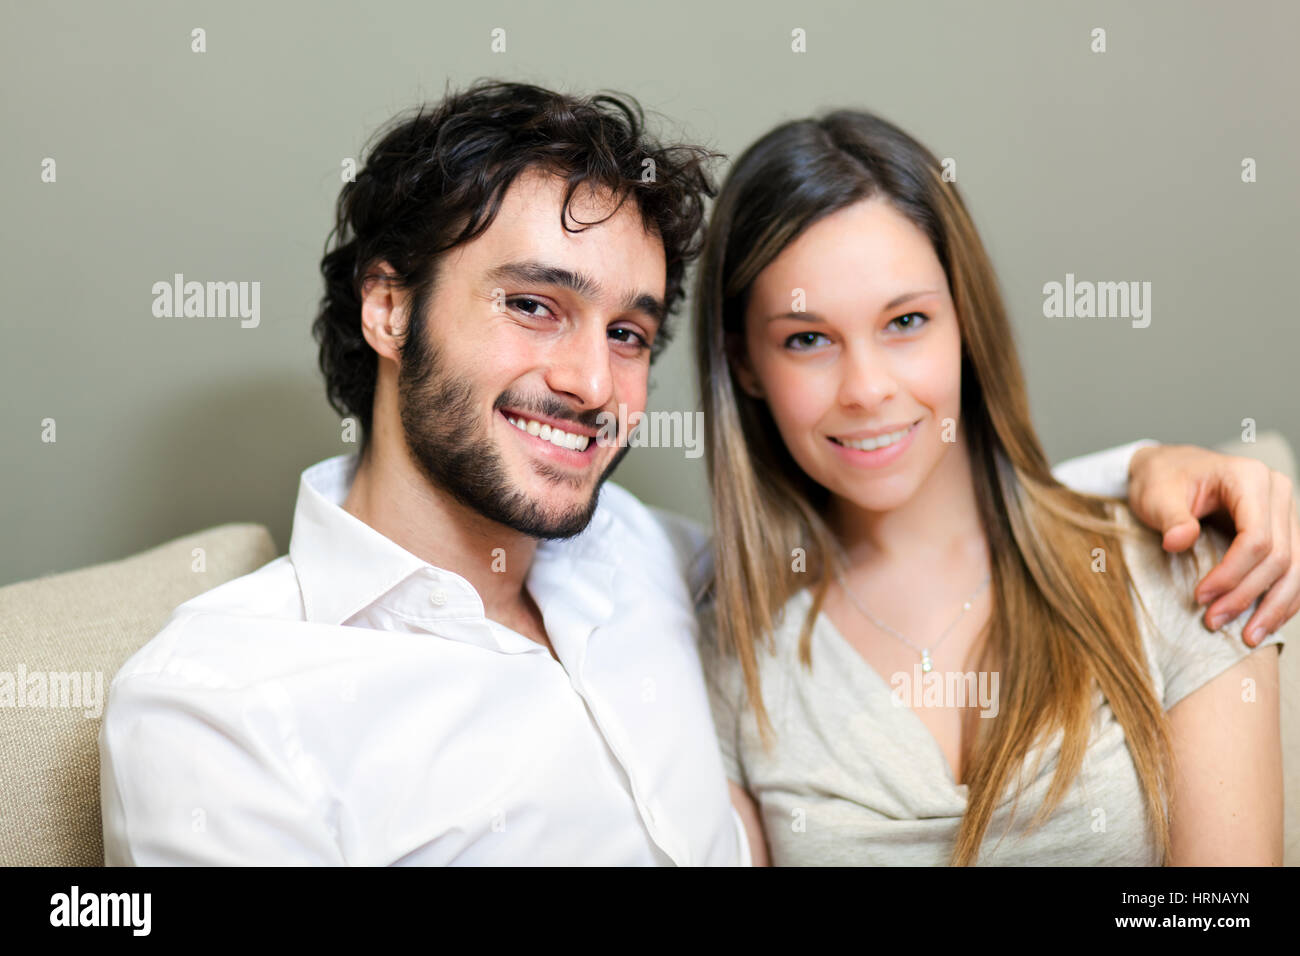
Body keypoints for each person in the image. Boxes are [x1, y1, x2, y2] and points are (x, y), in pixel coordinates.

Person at [99, 81, 1296, 866]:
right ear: (388, 308)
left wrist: (1171, 471)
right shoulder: (221, 703)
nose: (586, 378)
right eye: (532, 305)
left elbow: (919, 510)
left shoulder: (648, 565)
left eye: (626, 331)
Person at [694, 108, 1289, 866]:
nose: (868, 389)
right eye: (807, 339)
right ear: (745, 365)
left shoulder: (1176, 563)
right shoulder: (727, 651)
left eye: (905, 320)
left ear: (966, 324)